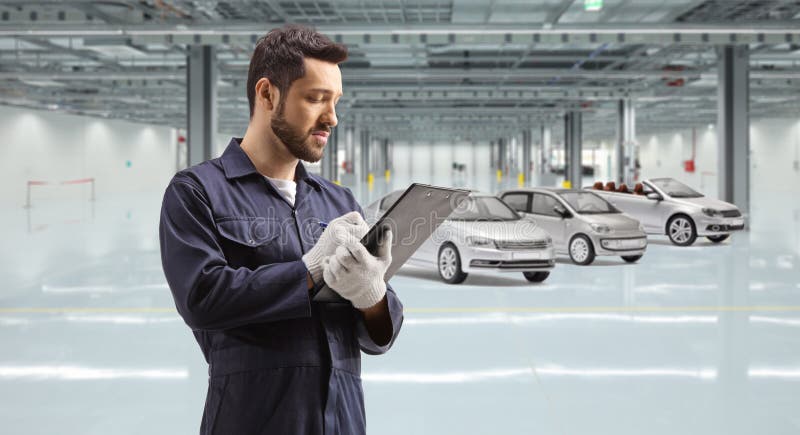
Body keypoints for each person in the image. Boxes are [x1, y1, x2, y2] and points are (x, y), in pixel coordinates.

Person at [159, 25, 403, 434]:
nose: (332, 117)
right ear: (268, 94)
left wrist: (373, 296)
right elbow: (201, 298)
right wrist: (309, 269)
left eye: (336, 101)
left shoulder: (339, 201)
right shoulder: (197, 191)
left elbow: (379, 337)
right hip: (252, 421)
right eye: (316, 98)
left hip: (342, 422)